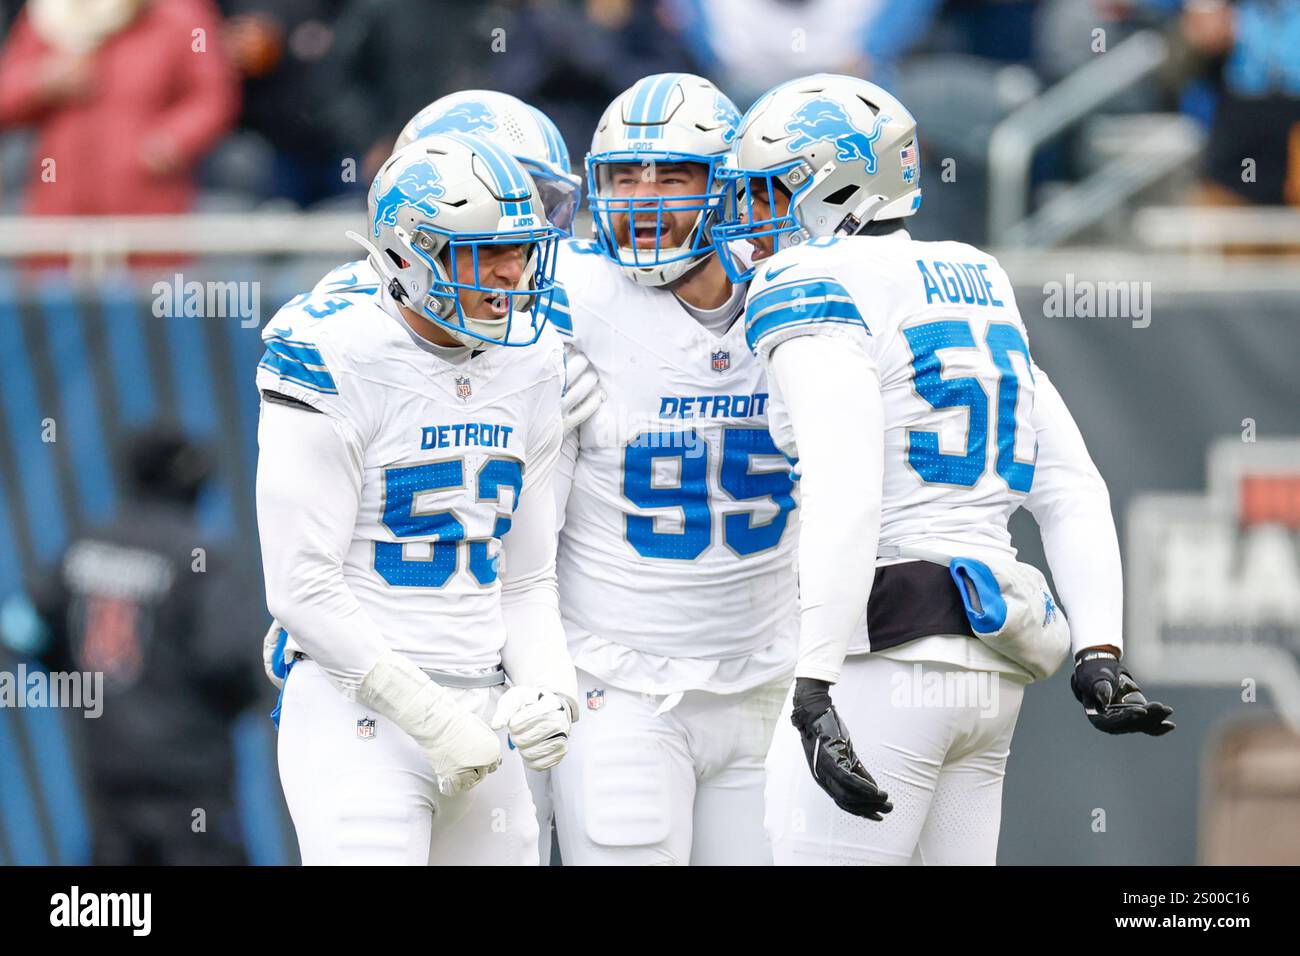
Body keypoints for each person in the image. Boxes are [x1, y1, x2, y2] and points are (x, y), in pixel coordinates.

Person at [716, 73, 1176, 866]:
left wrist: (815, 681)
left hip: (881, 655)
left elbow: (848, 488)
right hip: (989, 668)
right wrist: (1101, 649)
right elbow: (1068, 484)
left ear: (839, 189)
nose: (749, 216)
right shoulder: (975, 275)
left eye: (769, 192)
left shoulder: (812, 281)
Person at [256, 133, 577, 865]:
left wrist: (550, 689)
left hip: (481, 706)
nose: (512, 271)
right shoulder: (336, 351)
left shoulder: (534, 358)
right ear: (411, 252)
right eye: (485, 252)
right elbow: (301, 587)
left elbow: (524, 579)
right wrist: (426, 714)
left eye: (520, 249)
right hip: (359, 715)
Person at [546, 73, 797, 865]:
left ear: (727, 187)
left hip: (768, 680)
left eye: (673, 174)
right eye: (625, 175)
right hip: (619, 683)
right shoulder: (569, 296)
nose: (643, 197)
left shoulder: (796, 294)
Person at [34, 424, 261, 864]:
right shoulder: (202, 560)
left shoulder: (82, 550)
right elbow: (227, 662)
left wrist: (74, 677)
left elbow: (20, 627)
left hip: (109, 785)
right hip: (192, 794)